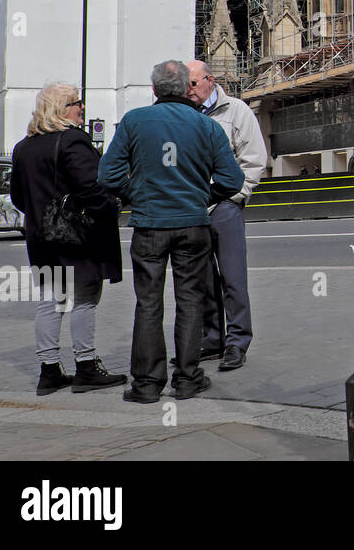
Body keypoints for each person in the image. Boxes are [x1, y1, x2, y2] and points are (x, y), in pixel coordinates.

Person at [98, 60, 244, 404]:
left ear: (154, 90)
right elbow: (232, 180)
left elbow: (108, 175)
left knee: (148, 303)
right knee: (191, 300)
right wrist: (201, 196)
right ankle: (188, 378)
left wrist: (137, 194)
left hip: (150, 223)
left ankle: (148, 383)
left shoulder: (135, 121)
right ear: (185, 89)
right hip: (193, 223)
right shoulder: (206, 125)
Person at [10, 83, 127, 395]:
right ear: (62, 108)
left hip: (40, 236)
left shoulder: (24, 147)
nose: (82, 108)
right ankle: (86, 366)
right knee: (85, 299)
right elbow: (90, 187)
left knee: (51, 300)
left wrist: (43, 216)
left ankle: (49, 371)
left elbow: (18, 197)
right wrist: (111, 207)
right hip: (78, 236)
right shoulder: (73, 139)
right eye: (77, 103)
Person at [187, 59, 266, 372]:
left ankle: (237, 341)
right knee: (203, 279)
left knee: (233, 278)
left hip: (225, 205)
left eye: (193, 83)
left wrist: (235, 197)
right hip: (193, 207)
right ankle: (212, 338)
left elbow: (254, 160)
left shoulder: (236, 110)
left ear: (209, 80)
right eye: (184, 84)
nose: (188, 90)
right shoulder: (183, 113)